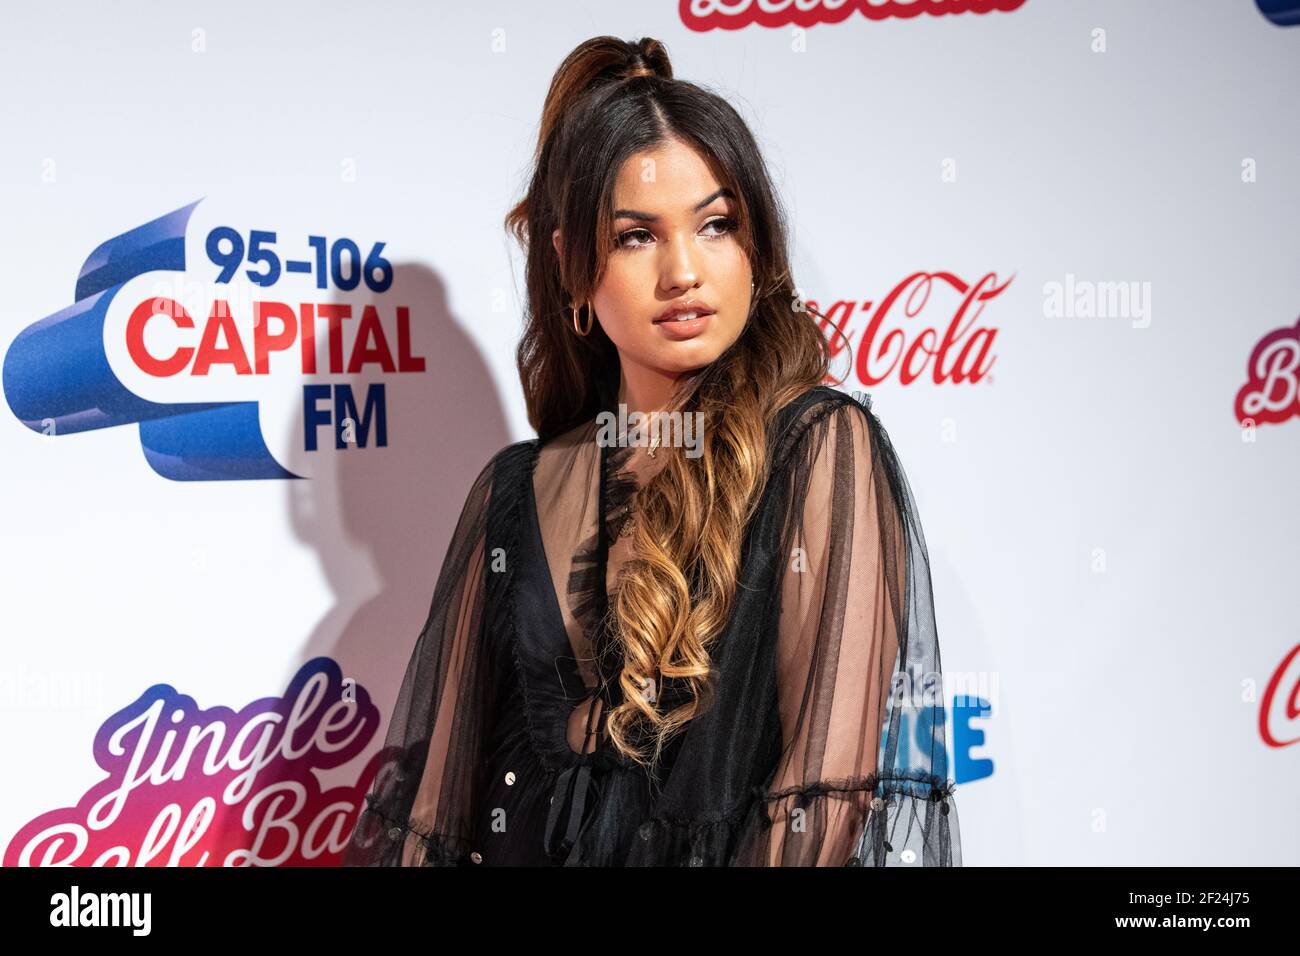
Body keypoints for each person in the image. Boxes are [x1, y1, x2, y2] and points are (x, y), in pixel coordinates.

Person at [342, 35, 959, 867]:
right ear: (570, 264)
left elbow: (827, 798)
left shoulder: (819, 450)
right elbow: (435, 820)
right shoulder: (509, 494)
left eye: (715, 225)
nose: (684, 272)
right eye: (637, 236)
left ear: (757, 245)